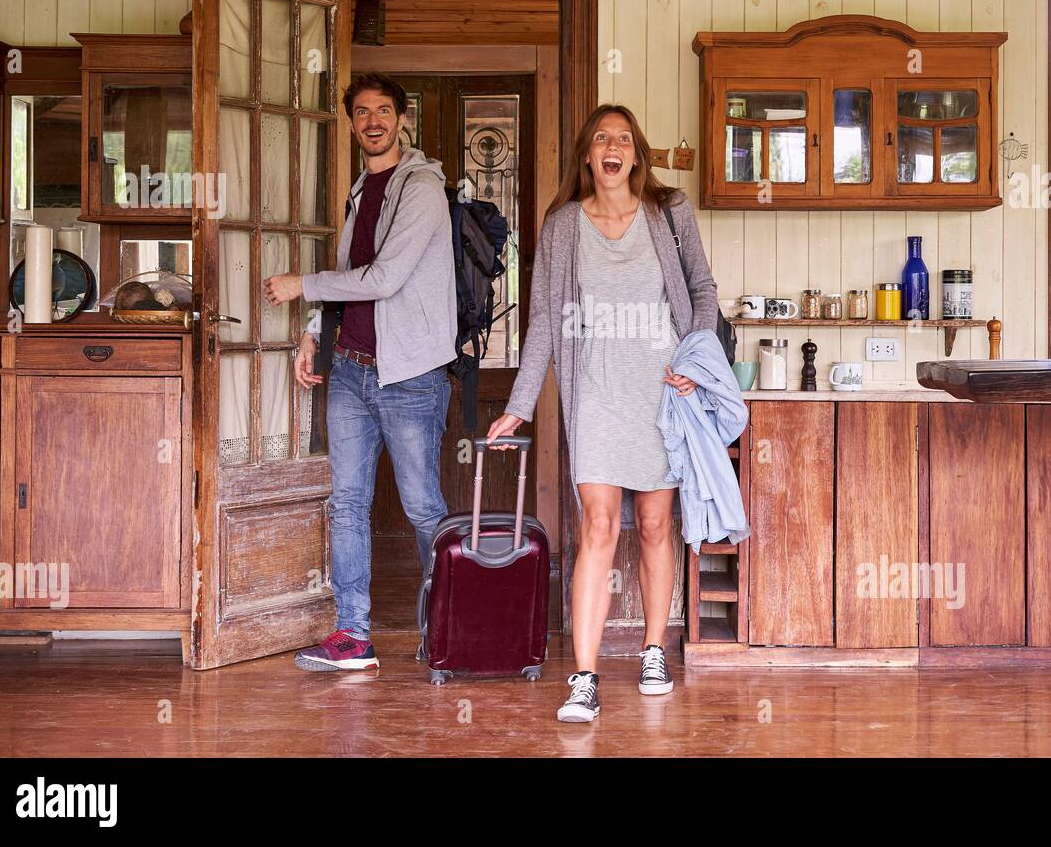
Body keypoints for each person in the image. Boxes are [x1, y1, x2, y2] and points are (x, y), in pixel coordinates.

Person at [485, 104, 720, 722]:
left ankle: (651, 651)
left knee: (652, 526)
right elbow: (541, 321)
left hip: (663, 394)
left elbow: (703, 291)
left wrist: (693, 363)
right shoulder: (563, 226)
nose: (611, 147)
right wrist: (517, 407)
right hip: (593, 394)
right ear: (587, 156)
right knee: (596, 525)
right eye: (599, 139)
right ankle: (584, 677)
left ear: (636, 154)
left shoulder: (669, 214)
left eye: (622, 138)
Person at [262, 73, 456, 672]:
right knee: (347, 504)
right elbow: (353, 272)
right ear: (351, 123)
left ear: (401, 119)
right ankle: (353, 636)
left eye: (384, 111)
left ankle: (449, 627)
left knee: (423, 507)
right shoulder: (359, 190)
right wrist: (315, 333)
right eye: (362, 112)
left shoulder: (421, 188)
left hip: (410, 375)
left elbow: (384, 280)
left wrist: (301, 285)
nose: (373, 121)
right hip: (349, 371)